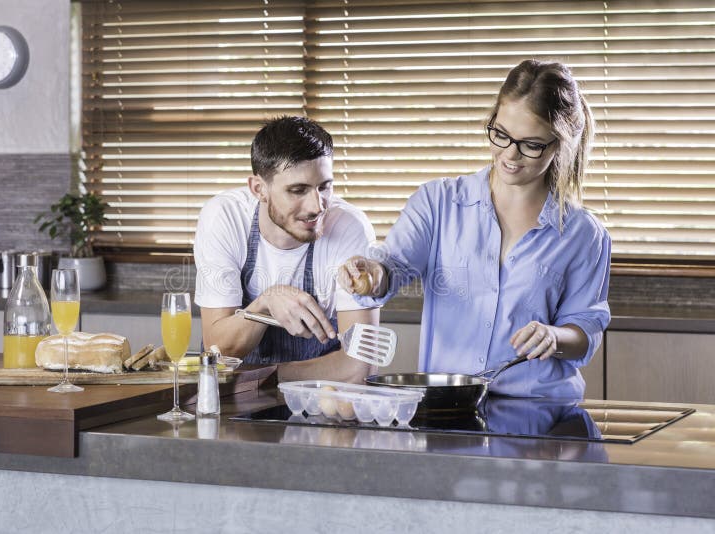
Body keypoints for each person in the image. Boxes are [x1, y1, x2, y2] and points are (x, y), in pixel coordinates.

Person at [339, 60, 611, 398]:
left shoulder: (584, 235)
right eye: (501, 134)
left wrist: (555, 338)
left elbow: (585, 328)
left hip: (540, 410)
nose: (510, 154)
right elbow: (393, 266)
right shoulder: (438, 202)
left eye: (531, 144)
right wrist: (372, 275)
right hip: (449, 406)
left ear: (559, 145)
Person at [194, 116, 377, 383]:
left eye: (324, 186)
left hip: (318, 406)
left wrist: (256, 382)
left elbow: (359, 366)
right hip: (230, 407)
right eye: (298, 190)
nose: (317, 206)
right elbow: (217, 350)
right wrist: (265, 304)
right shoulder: (224, 217)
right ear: (259, 189)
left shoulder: (351, 228)